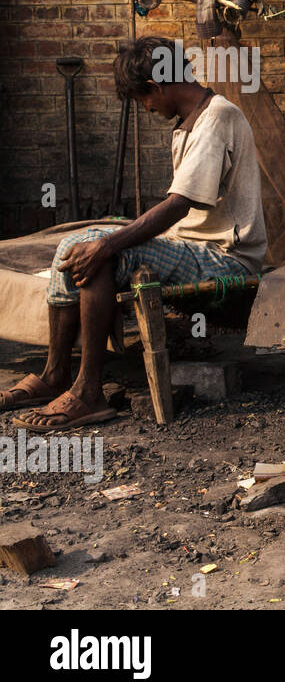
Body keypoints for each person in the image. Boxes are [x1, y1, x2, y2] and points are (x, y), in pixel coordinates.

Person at [1, 36, 266, 430]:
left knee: (104, 251)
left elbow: (179, 205)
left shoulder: (218, 117)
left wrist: (108, 242)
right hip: (191, 247)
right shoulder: (193, 122)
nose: (147, 108)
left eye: (144, 100)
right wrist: (102, 239)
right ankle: (55, 375)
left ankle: (88, 392)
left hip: (226, 259)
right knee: (74, 246)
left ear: (157, 85)